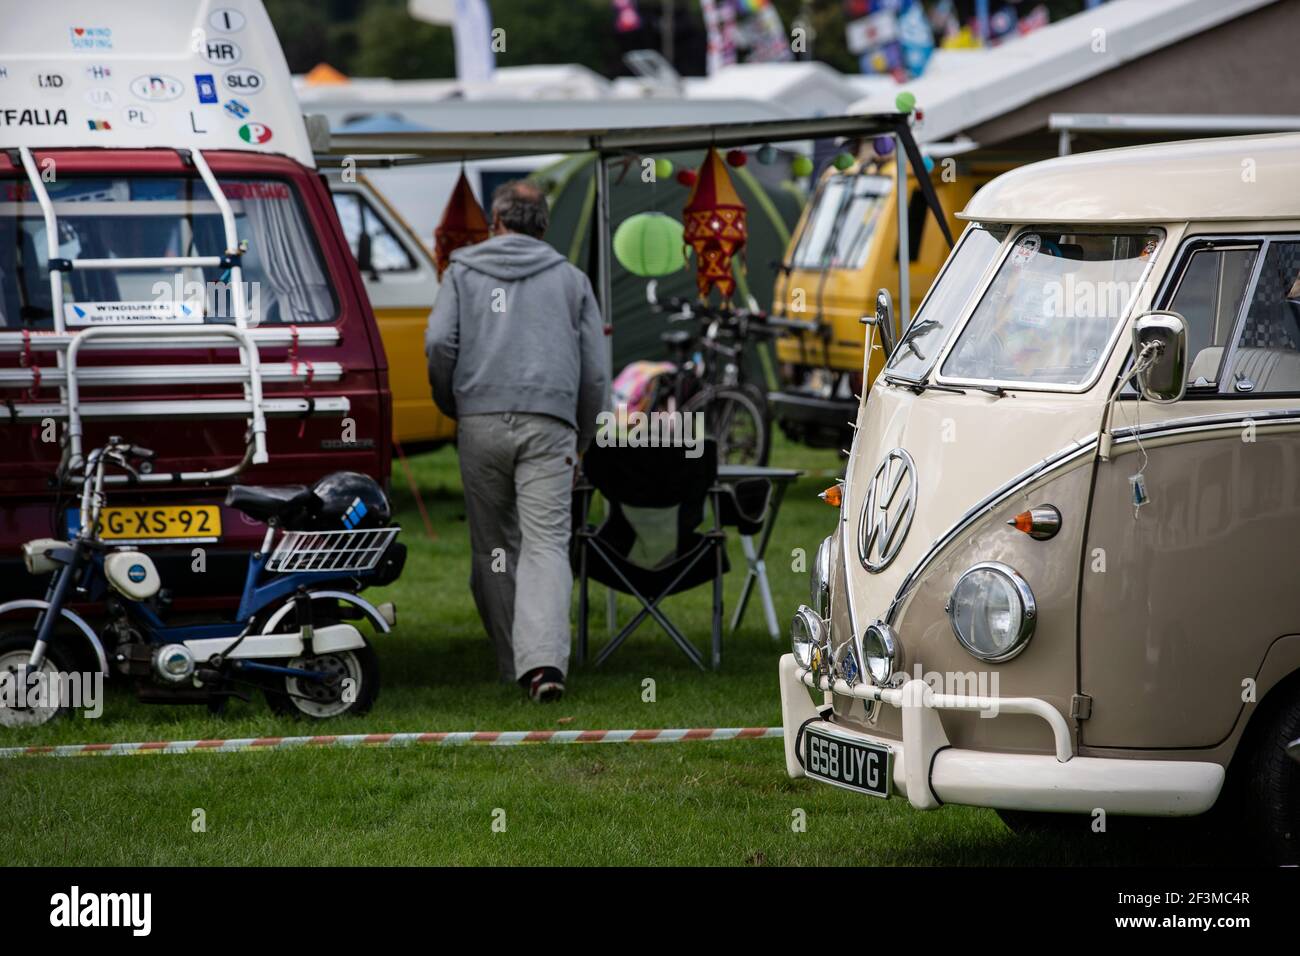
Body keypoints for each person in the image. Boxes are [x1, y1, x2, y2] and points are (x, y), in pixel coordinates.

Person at [425, 180, 610, 702]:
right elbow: (596, 373)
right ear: (545, 227)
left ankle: (514, 662)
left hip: (479, 420)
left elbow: (439, 342)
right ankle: (544, 666)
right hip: (550, 424)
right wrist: (586, 431)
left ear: (495, 223)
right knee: (547, 545)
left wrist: (453, 402)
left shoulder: (461, 270)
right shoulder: (572, 280)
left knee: (496, 548)